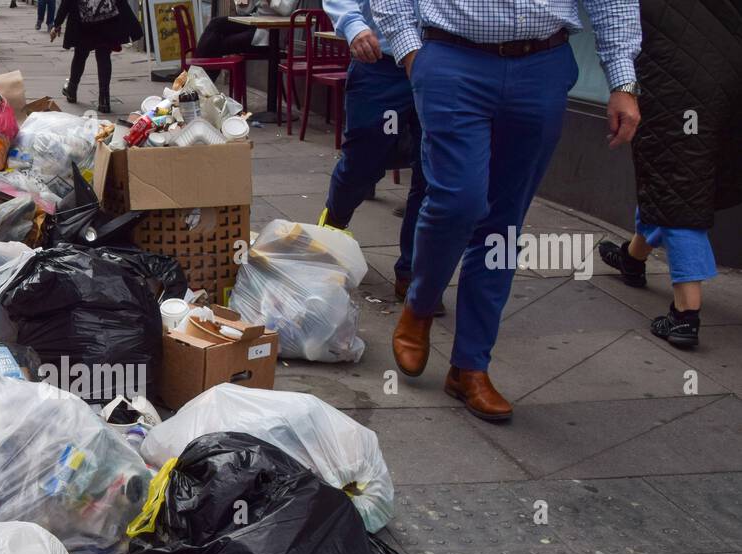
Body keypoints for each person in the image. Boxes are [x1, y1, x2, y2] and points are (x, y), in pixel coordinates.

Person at [373, 0, 641, 422]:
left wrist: (622, 80)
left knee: (504, 222)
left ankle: (470, 366)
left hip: (542, 66)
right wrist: (408, 48)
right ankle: (420, 303)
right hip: (452, 60)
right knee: (457, 201)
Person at [598, 0, 741, 349]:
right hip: (730, 73)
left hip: (675, 78)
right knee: (668, 180)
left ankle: (685, 315)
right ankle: (633, 259)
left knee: (677, 184)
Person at [320, 0, 435, 312]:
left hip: (439, 66)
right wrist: (354, 27)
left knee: (432, 174)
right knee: (364, 163)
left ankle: (412, 274)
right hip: (381, 65)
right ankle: (335, 220)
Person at [51, 0, 144, 115]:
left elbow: (67, 3)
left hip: (84, 21)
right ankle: (104, 100)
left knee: (80, 54)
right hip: (106, 20)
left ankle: (72, 90)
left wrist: (57, 24)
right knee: (103, 56)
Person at [196, 0, 295, 58]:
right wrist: (242, 2)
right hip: (256, 23)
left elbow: (286, 10)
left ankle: (195, 81)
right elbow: (243, 11)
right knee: (216, 23)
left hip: (271, 34)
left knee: (218, 45)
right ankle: (195, 81)